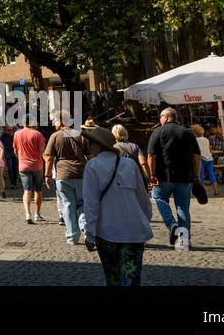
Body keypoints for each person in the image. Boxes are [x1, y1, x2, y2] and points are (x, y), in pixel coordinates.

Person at [81, 126, 152, 286]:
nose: (88, 145)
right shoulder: (130, 164)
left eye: (91, 142)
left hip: (107, 232)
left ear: (98, 145)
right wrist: (145, 219)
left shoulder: (92, 166)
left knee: (113, 279)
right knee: (132, 279)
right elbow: (143, 198)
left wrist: (90, 234)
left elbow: (91, 204)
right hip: (133, 230)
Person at [146, 107, 201, 250]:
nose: (159, 120)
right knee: (183, 207)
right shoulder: (188, 133)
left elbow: (151, 155)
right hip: (185, 176)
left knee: (158, 198)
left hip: (163, 176)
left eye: (160, 117)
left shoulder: (158, 131)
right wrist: (196, 175)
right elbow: (197, 156)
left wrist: (152, 175)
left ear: (165, 117)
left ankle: (172, 225)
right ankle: (183, 241)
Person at [44, 113, 87, 245]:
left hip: (63, 175)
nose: (54, 124)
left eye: (56, 121)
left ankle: (72, 237)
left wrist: (47, 175)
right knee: (82, 203)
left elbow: (49, 158)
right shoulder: (80, 135)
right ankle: (86, 229)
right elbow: (90, 154)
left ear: (61, 122)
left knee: (67, 205)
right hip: (81, 173)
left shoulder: (55, 136)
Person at [14, 118, 47, 224]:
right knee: (38, 190)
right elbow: (42, 151)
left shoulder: (17, 134)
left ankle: (28, 214)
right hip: (37, 165)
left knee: (27, 190)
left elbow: (15, 150)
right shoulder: (38, 134)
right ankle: (37, 214)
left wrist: (21, 158)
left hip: (23, 165)